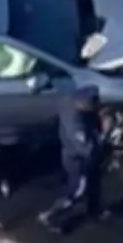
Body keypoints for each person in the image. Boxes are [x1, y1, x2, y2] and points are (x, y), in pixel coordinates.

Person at [38, 85, 108, 232]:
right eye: (93, 103)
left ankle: (94, 210)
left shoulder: (69, 101)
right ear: (82, 103)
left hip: (81, 154)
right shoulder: (76, 124)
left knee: (94, 180)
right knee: (77, 190)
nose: (96, 105)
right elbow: (87, 149)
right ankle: (52, 216)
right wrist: (104, 134)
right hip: (77, 158)